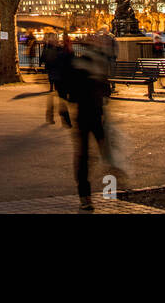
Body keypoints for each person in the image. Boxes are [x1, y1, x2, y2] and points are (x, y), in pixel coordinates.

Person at [63, 34, 114, 210]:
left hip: (84, 114)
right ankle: (110, 181)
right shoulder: (97, 65)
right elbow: (106, 89)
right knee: (99, 148)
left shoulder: (80, 64)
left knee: (84, 154)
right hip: (94, 113)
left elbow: (70, 91)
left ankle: (85, 195)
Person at [42, 33, 72, 127]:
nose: (56, 40)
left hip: (59, 75)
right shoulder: (49, 49)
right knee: (61, 97)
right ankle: (64, 119)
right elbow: (45, 59)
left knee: (57, 96)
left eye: (56, 38)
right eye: (53, 39)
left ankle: (51, 115)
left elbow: (67, 59)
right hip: (56, 75)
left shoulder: (58, 48)